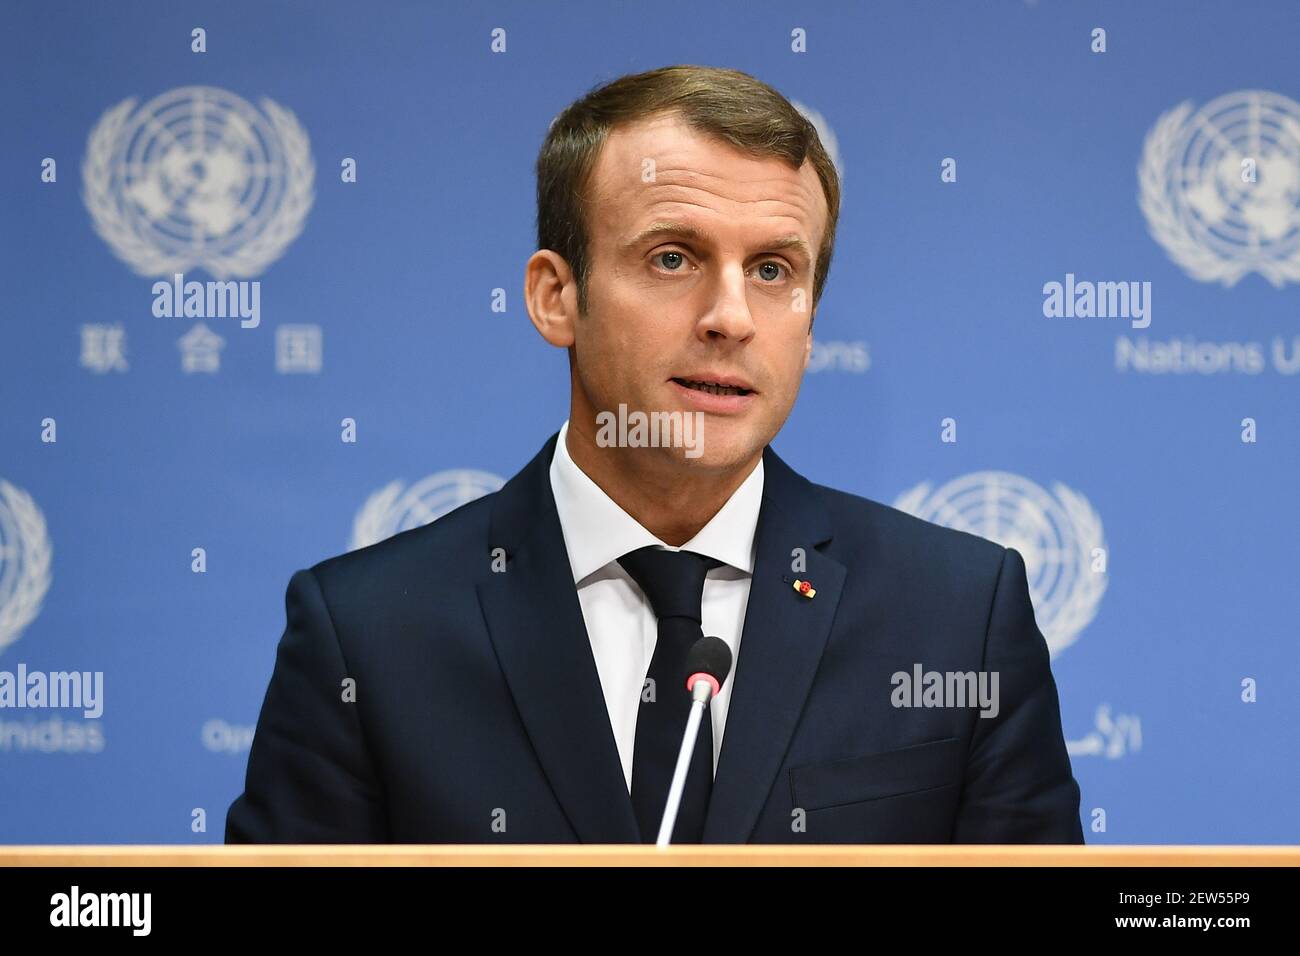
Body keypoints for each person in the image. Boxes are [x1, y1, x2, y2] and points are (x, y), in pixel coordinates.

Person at [226, 64, 1084, 845]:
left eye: (775, 271)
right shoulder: (370, 632)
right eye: (674, 258)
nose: (731, 316)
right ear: (556, 297)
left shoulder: (959, 617)